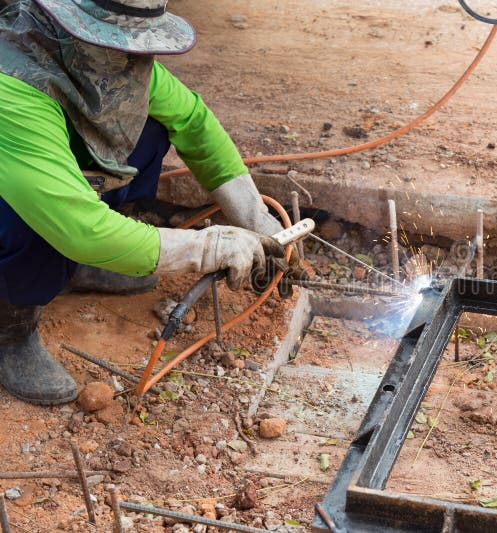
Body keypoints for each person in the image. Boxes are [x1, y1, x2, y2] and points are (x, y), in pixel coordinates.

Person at [0, 0, 289, 405]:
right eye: (118, 42)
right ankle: (10, 331)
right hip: (17, 181)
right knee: (29, 213)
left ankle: (82, 266)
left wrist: (254, 215)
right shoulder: (13, 84)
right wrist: (206, 248)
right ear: (71, 25)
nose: (133, 58)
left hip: (48, 180)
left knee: (149, 129)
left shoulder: (101, 61)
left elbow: (193, 122)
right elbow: (80, 228)